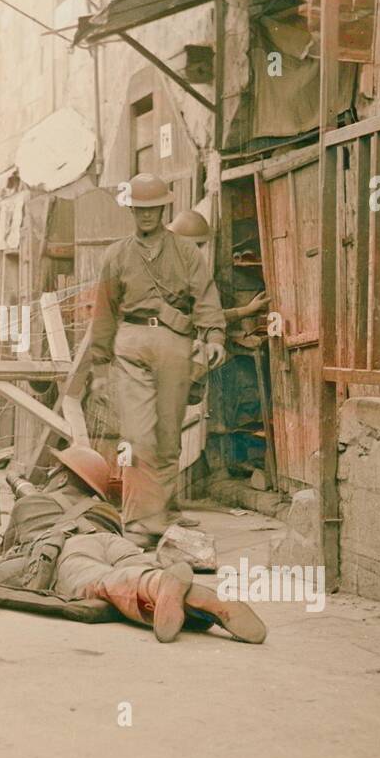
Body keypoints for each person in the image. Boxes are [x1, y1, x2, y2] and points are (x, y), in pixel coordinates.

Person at [0, 446, 266, 644]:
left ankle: (157, 586)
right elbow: (114, 535)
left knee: (103, 581)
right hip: (113, 541)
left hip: (69, 546)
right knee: (141, 567)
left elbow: (10, 555)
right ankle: (190, 593)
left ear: (61, 478)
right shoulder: (107, 510)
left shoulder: (31, 504)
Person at [88, 173, 228, 545]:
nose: (146, 215)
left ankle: (161, 515)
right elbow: (104, 312)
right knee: (135, 438)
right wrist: (99, 367)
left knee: (167, 438)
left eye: (153, 208)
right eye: (140, 208)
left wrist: (214, 335)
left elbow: (206, 296)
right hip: (131, 340)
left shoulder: (186, 252)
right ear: (131, 209)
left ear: (164, 207)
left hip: (174, 342)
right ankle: (138, 521)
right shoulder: (116, 254)